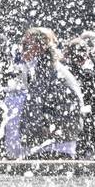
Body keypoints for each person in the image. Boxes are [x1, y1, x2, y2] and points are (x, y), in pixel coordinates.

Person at [15, 27, 84, 157]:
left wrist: (43, 130)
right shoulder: (45, 68)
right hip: (49, 146)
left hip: (54, 148)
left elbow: (72, 110)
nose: (21, 49)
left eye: (25, 45)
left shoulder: (48, 71)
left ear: (40, 47)